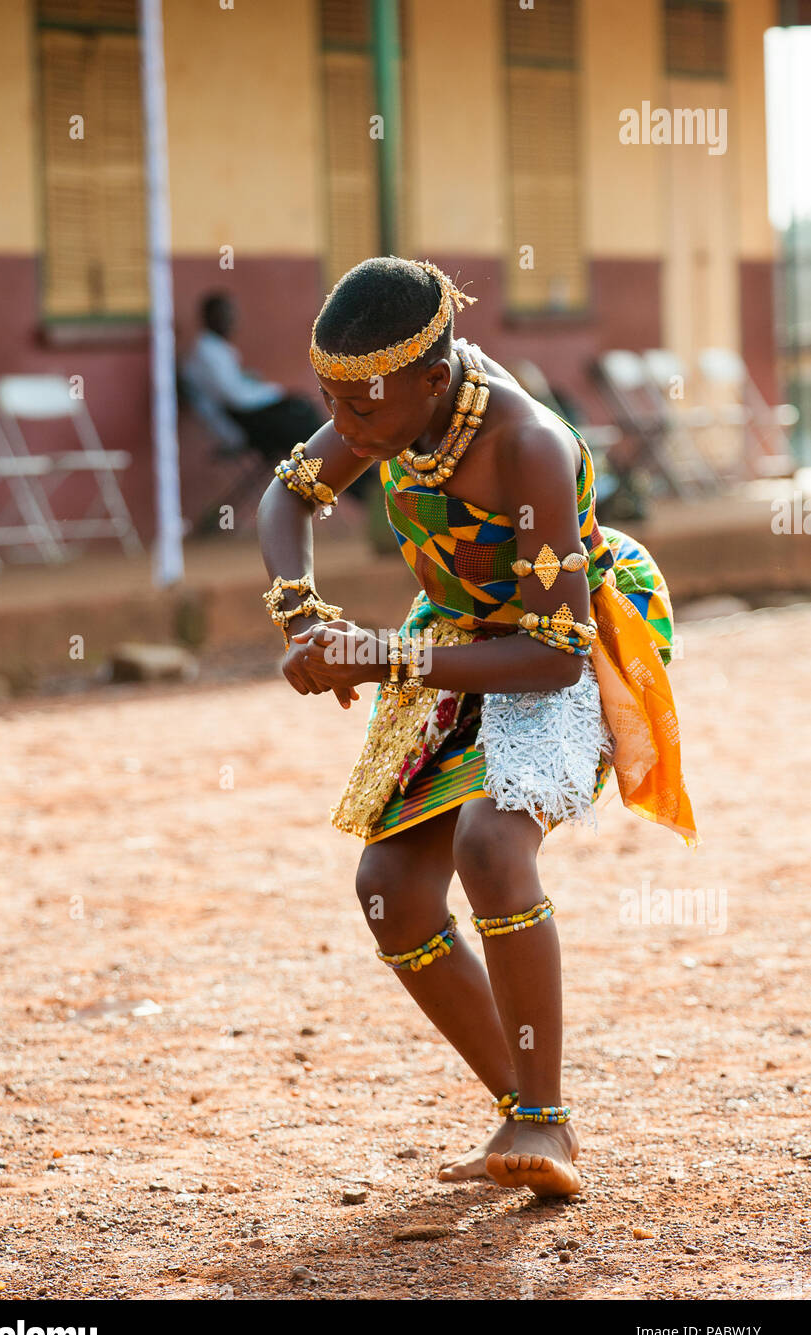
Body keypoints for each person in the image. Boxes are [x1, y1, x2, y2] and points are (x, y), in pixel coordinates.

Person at [257, 257, 697, 1198]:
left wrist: (374, 654)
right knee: (391, 890)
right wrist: (302, 614)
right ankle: (524, 1114)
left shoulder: (523, 445)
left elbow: (551, 656)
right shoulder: (385, 404)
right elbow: (286, 495)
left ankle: (544, 1121)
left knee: (492, 846)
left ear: (432, 377)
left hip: (563, 642)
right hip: (456, 640)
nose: (345, 430)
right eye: (331, 404)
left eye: (362, 411)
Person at [180, 292, 325, 460]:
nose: (231, 320)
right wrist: (273, 393)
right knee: (301, 411)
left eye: (232, 315)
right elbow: (235, 397)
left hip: (249, 415)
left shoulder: (216, 349)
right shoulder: (206, 353)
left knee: (303, 410)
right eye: (224, 314)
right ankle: (332, 467)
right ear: (209, 317)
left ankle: (333, 465)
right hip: (243, 424)